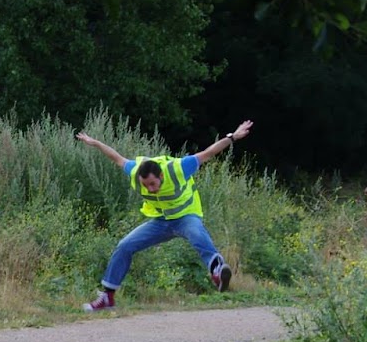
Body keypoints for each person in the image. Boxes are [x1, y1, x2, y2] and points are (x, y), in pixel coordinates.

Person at [74, 120, 254, 311]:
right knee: (124, 246)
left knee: (196, 233)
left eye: (153, 184)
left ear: (160, 176)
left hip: (185, 216)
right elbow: (117, 158)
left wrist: (232, 136)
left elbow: (209, 153)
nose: (150, 189)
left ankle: (217, 271)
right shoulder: (136, 172)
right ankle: (108, 298)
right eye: (146, 185)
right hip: (161, 222)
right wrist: (96, 143)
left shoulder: (178, 168)